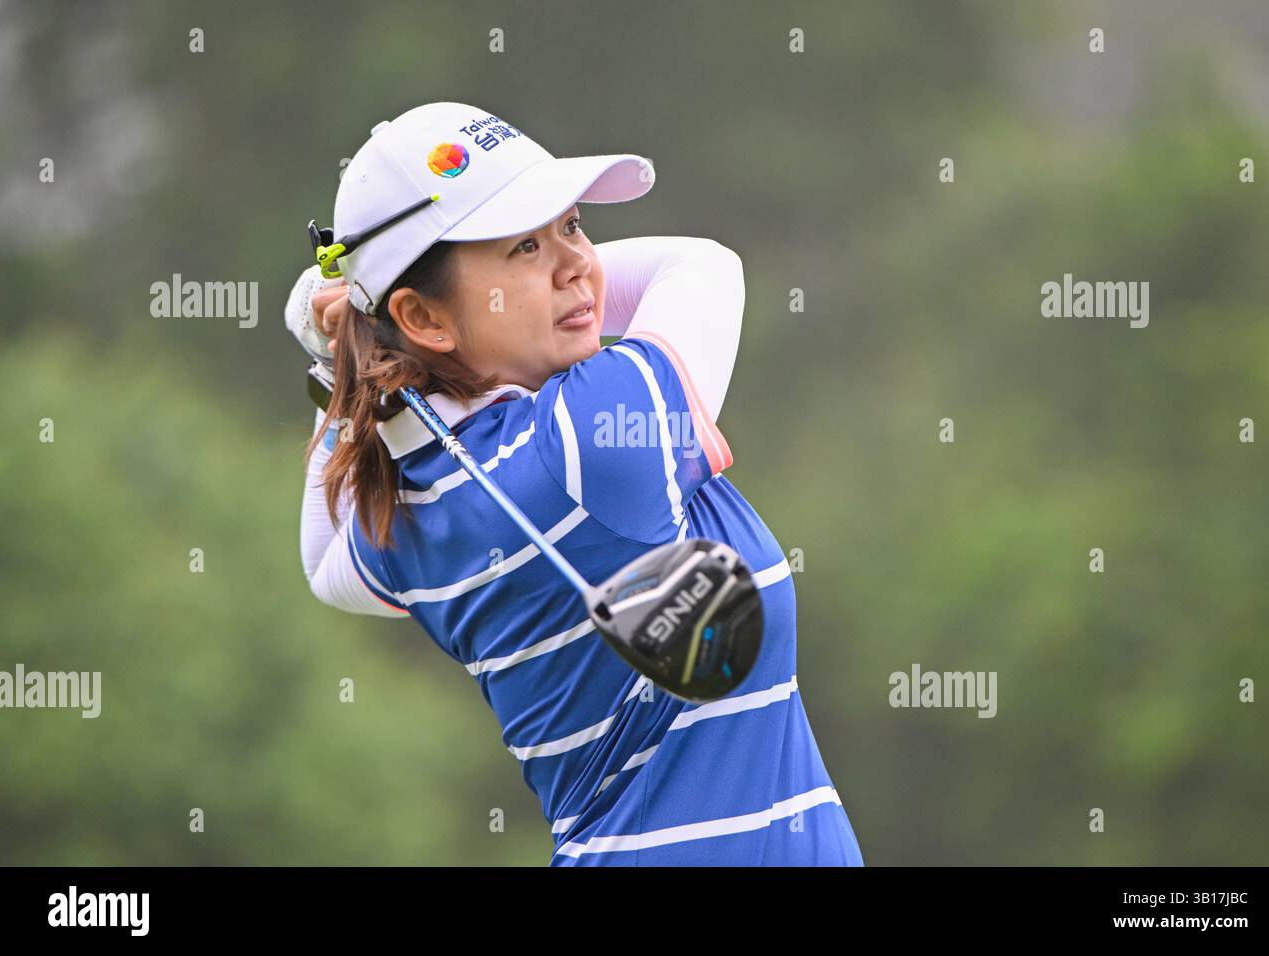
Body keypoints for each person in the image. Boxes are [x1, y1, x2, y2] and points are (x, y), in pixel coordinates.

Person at [290, 101, 864, 865]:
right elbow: (700, 265)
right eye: (525, 245)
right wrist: (348, 320)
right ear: (424, 317)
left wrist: (352, 344)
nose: (578, 265)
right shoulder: (593, 431)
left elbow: (325, 566)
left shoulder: (413, 495)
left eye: (572, 226)